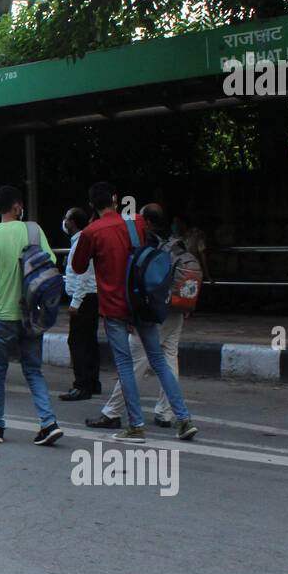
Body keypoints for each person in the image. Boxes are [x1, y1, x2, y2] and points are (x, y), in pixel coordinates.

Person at [72, 182, 197, 443]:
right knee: (160, 361)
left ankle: (136, 426)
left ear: (91, 205)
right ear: (116, 200)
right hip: (143, 303)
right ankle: (184, 420)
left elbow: (78, 266)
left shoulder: (91, 232)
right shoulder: (136, 223)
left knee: (126, 366)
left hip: (115, 308)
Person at [0, 186, 63, 446]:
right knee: (33, 370)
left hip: (3, 314)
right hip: (32, 314)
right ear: (17, 206)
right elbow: (51, 265)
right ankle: (48, 423)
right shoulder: (34, 231)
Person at [86, 203, 185, 429]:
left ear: (148, 222)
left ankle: (114, 413)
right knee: (168, 357)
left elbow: (136, 278)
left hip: (151, 309)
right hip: (174, 307)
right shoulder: (176, 242)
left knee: (133, 362)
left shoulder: (145, 240)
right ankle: (168, 413)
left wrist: (132, 312)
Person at [59, 207, 101, 401]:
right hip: (89, 297)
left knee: (77, 342)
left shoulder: (81, 243)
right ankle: (92, 382)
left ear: (73, 222)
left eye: (67, 218)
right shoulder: (82, 241)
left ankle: (82, 385)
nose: (64, 222)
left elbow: (83, 275)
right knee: (89, 341)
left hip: (84, 298)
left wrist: (75, 302)